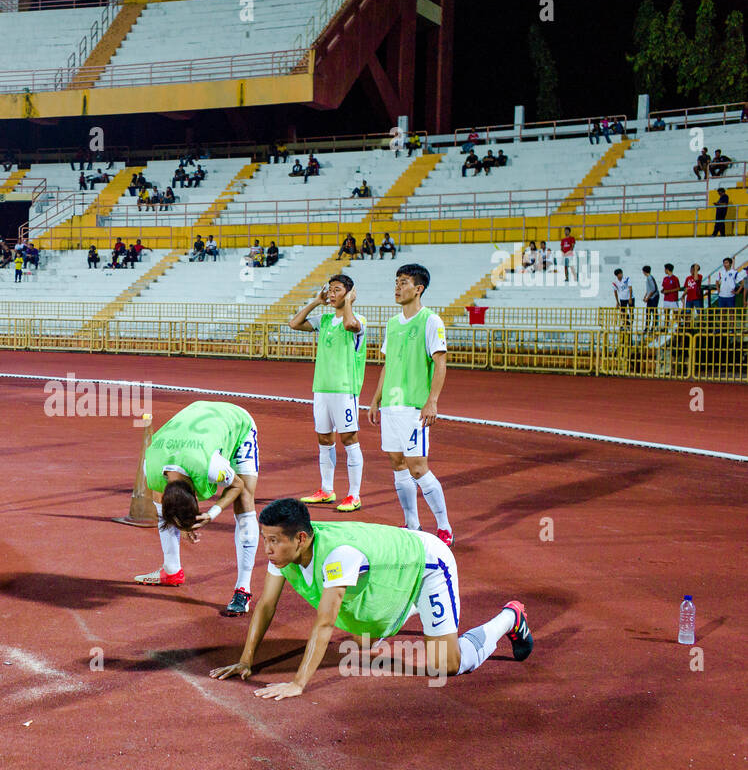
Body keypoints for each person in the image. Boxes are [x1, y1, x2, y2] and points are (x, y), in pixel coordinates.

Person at [207, 499, 532, 698]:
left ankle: (510, 617)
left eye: (274, 541)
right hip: (393, 566)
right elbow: (265, 605)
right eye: (266, 540)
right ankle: (418, 613)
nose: (267, 550)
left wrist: (298, 683)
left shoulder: (337, 556)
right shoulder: (286, 549)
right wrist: (246, 660)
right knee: (367, 624)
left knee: (445, 664)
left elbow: (324, 624)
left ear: (301, 538)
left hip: (427, 564)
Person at [134, 400, 261, 617]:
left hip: (235, 422)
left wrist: (213, 512)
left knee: (245, 497)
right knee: (157, 491)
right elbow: (161, 495)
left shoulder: (210, 467)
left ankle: (243, 588)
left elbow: (237, 485)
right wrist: (182, 524)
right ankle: (171, 569)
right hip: (194, 426)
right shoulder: (152, 467)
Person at [367, 264, 453, 546]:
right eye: (396, 282)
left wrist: (432, 402)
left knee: (417, 467)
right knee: (397, 464)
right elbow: (387, 364)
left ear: (418, 289)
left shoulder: (431, 321)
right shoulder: (392, 324)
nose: (397, 287)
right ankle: (412, 523)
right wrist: (375, 399)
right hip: (391, 406)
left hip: (415, 408)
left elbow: (440, 362)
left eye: (403, 282)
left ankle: (444, 527)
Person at [288, 275, 366, 512]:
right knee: (324, 439)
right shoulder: (324, 319)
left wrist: (349, 303)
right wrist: (315, 301)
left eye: (337, 290)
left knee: (349, 440)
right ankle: (326, 489)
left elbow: (349, 325)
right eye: (330, 290)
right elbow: (294, 323)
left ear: (349, 293)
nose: (332, 294)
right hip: (321, 388)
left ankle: (354, 495)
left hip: (345, 389)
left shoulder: (359, 320)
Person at [641, 264, 659, 331]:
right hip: (650, 297)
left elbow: (653, 289)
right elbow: (649, 289)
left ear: (644, 271)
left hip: (653, 297)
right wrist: (645, 296)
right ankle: (647, 327)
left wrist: (647, 298)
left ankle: (653, 327)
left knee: (653, 312)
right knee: (648, 312)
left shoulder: (650, 278)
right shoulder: (649, 278)